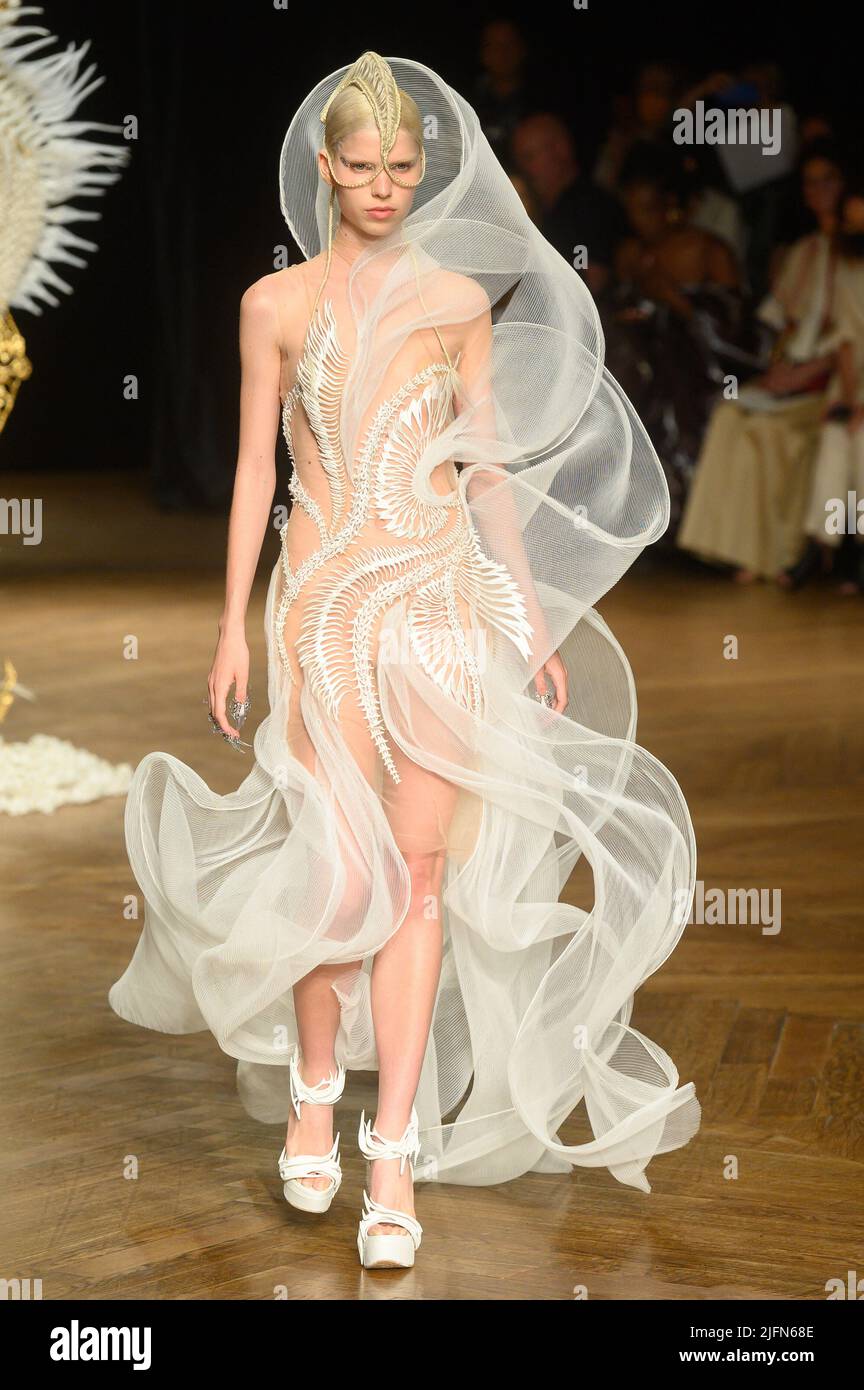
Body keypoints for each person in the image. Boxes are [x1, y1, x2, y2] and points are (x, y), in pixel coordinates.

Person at [108, 51, 700, 1271]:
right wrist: (231, 622)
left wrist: (527, 621)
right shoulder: (276, 307)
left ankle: (391, 1151)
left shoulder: (456, 306)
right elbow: (258, 477)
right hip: (321, 607)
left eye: (404, 167)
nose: (384, 186)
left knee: (419, 867)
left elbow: (483, 471)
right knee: (336, 867)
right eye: (363, 167)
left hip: (436, 603)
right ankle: (316, 1084)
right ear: (324, 168)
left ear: (427, 168)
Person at [677, 148, 846, 582]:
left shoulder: (854, 254)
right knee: (731, 413)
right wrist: (776, 370)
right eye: (811, 181)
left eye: (828, 179)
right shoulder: (805, 251)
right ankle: (732, 548)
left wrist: (809, 372)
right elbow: (781, 323)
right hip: (796, 372)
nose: (818, 191)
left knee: (768, 432)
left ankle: (779, 555)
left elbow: (850, 337)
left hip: (837, 381)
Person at [781, 187, 864, 593]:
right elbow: (846, 339)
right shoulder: (848, 268)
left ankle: (853, 550)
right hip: (854, 382)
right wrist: (851, 401)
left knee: (863, 443)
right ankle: (823, 543)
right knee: (837, 435)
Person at [512, 112, 627, 296]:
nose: (524, 169)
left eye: (529, 156)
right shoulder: (541, 209)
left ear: (560, 149)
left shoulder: (590, 207)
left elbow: (593, 281)